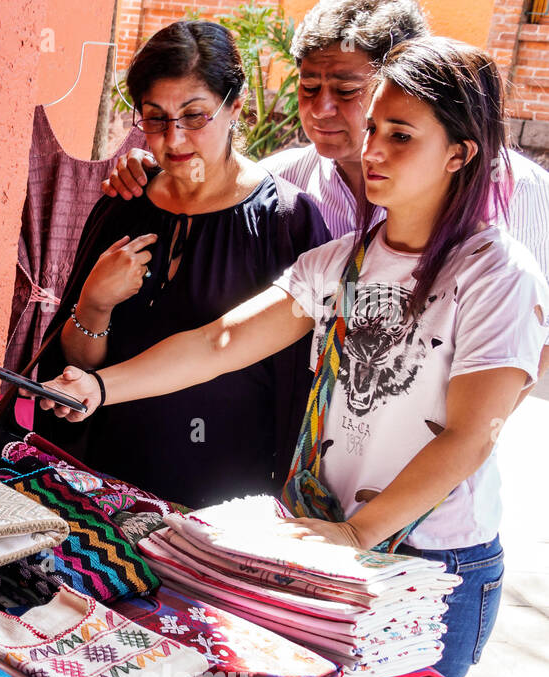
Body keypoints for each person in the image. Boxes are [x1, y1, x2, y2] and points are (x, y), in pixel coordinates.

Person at [39, 38, 547, 677]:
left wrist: (358, 532)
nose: (372, 151)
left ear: (459, 153)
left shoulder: (494, 273)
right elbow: (219, 343)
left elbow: (471, 434)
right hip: (329, 541)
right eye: (374, 131)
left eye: (401, 135)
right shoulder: (343, 263)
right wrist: (100, 386)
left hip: (430, 562)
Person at [103, 0, 549, 391]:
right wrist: (159, 170)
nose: (321, 109)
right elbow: (225, 338)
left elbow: (537, 340)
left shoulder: (517, 191)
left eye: (347, 90)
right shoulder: (284, 193)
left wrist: (461, 434)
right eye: (310, 87)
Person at [32, 20, 330, 508]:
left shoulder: (287, 222)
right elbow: (74, 370)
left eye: (194, 116)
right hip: (108, 486)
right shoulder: (123, 205)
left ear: (234, 107)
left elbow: (297, 378)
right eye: (155, 118)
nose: (174, 140)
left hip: (226, 501)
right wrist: (94, 305)